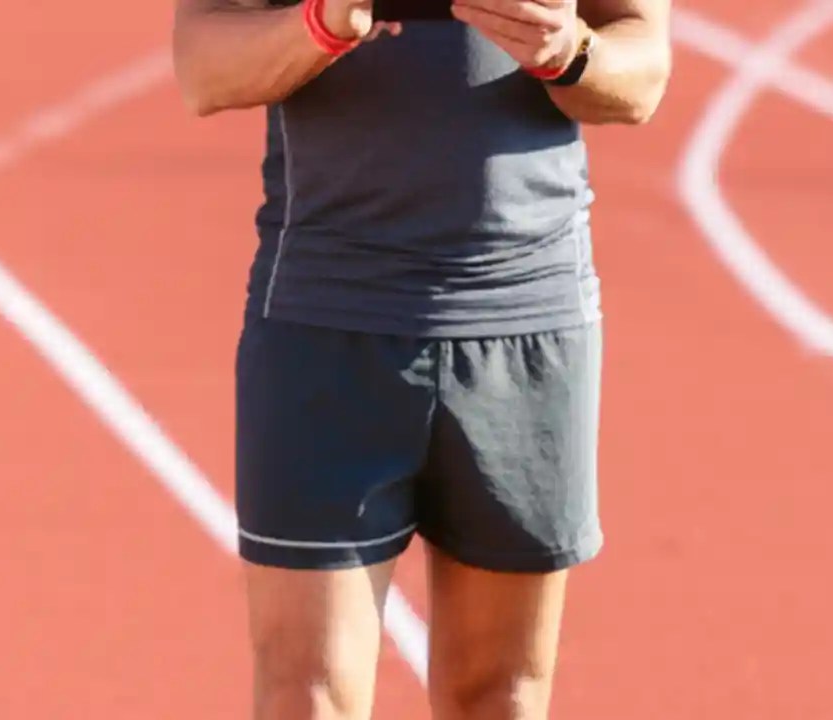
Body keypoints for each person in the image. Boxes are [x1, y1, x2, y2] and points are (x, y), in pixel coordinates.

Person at [171, 0, 670, 714]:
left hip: (526, 317)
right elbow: (202, 65)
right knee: (308, 694)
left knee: (499, 696)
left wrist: (569, 50)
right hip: (328, 314)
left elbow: (643, 70)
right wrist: (320, 23)